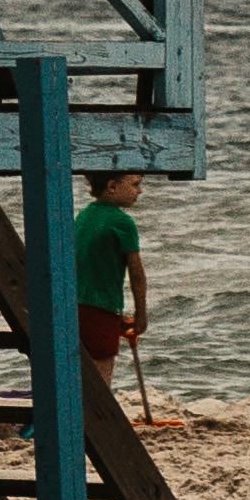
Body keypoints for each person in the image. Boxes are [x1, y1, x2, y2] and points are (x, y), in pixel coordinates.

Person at [76, 165, 152, 406]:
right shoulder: (123, 222)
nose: (139, 191)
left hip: (74, 305)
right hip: (101, 308)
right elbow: (137, 275)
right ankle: (97, 426)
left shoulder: (84, 216)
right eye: (135, 184)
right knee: (101, 376)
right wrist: (141, 315)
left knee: (80, 375)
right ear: (112, 186)